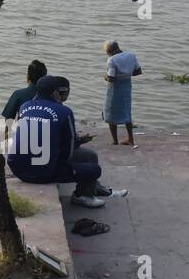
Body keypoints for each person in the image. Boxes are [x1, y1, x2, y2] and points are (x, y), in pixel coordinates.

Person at [9, 75, 124, 208]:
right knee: (93, 169)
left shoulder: (25, 106)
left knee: (89, 156)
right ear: (55, 93)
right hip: (43, 173)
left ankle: (93, 189)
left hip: (17, 169)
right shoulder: (64, 111)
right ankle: (81, 196)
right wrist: (69, 163)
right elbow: (68, 147)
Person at [102, 40, 142, 146]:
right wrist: (126, 74)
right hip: (127, 87)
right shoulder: (131, 55)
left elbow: (111, 78)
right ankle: (130, 139)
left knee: (111, 113)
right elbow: (138, 71)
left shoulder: (112, 60)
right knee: (126, 112)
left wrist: (105, 76)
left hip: (115, 89)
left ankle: (115, 141)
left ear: (110, 51)